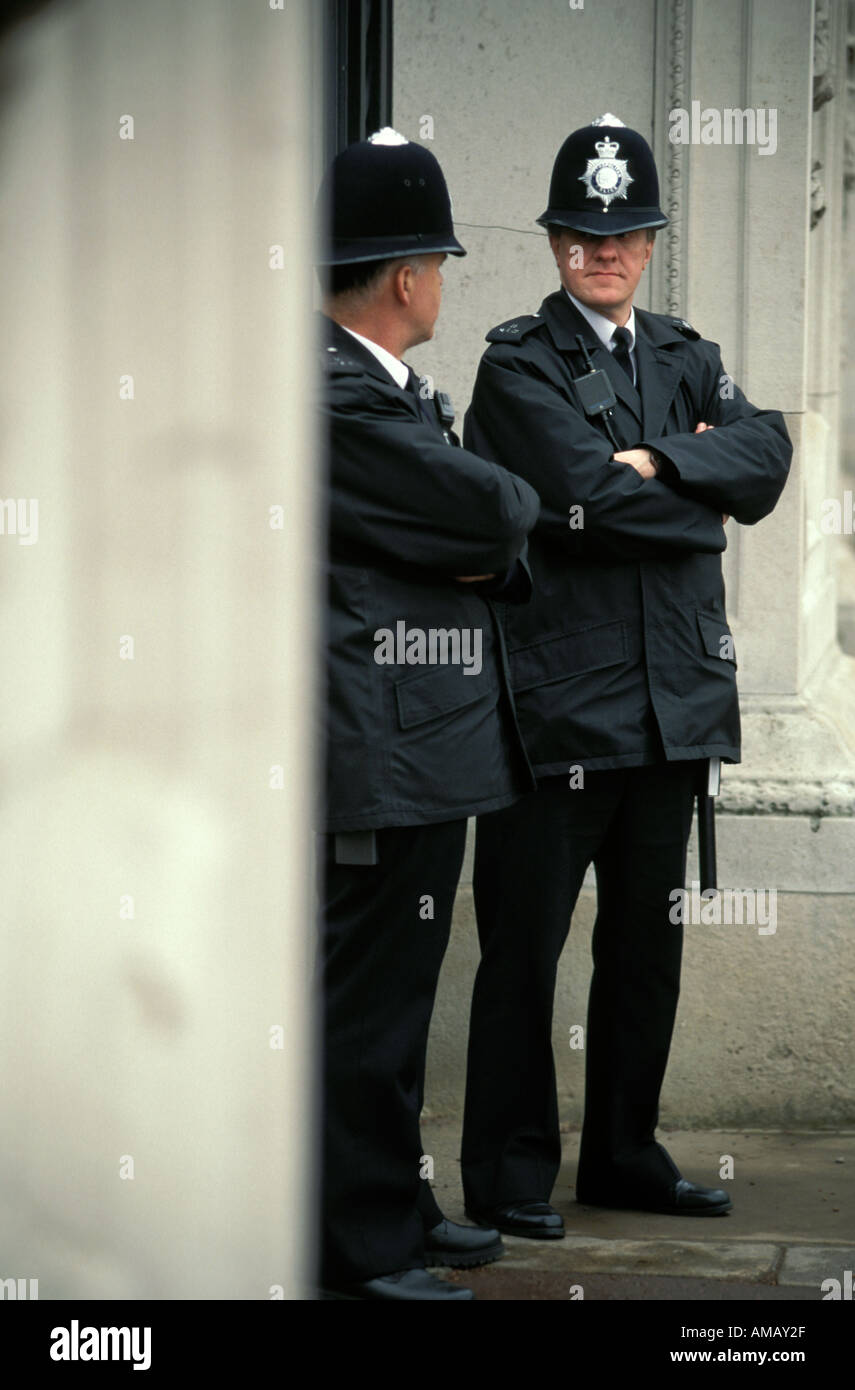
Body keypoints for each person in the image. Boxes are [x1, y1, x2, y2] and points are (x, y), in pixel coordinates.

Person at [460, 115, 792, 1238]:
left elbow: (768, 459)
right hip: (558, 711)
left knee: (647, 950)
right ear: (556, 242)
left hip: (672, 707)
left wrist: (665, 461)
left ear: (649, 243)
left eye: (625, 235)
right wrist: (697, 500)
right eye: (584, 234)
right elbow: (583, 499)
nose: (605, 252)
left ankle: (624, 1155)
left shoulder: (690, 356)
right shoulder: (516, 365)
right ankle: (508, 1174)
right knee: (524, 952)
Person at [316, 128, 540, 1298]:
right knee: (365, 1010)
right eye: (441, 264)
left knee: (395, 1010)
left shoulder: (380, 390)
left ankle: (393, 1206)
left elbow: (487, 542)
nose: (446, 283)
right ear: (407, 277)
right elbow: (503, 511)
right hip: (378, 749)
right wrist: (477, 539)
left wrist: (473, 546)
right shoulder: (333, 395)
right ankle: (358, 1249)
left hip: (415, 745)